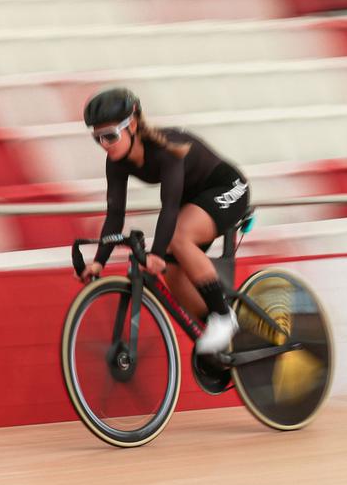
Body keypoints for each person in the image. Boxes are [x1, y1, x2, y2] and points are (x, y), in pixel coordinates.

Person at [79, 88, 251, 354]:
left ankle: (224, 316)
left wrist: (157, 252)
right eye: (97, 138)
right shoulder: (115, 163)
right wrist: (99, 261)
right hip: (193, 199)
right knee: (171, 272)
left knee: (178, 238)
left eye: (110, 136)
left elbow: (169, 207)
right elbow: (115, 215)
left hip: (226, 187)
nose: (104, 144)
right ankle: (223, 338)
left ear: (132, 124)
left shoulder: (164, 149)